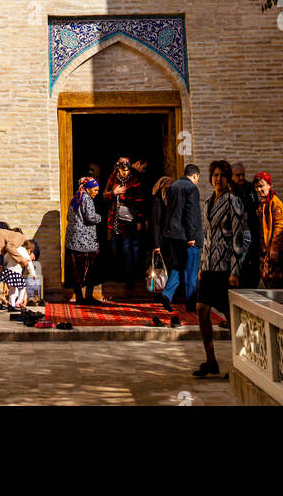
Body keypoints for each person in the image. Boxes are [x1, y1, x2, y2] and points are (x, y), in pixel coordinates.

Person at [194, 159, 244, 378]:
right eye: (215, 175)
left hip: (225, 267)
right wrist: (202, 264)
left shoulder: (234, 201)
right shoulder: (207, 202)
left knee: (230, 315)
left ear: (228, 178)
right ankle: (210, 360)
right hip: (209, 266)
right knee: (201, 310)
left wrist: (235, 270)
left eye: (222, 175)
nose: (218, 179)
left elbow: (239, 237)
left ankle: (240, 363)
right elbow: (206, 237)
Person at [157, 163, 202, 316]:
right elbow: (191, 213)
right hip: (187, 237)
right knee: (191, 271)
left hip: (173, 235)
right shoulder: (191, 188)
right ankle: (191, 304)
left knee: (177, 266)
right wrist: (191, 236)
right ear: (195, 175)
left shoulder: (173, 186)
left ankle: (167, 294)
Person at [104, 156, 147, 290]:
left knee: (128, 251)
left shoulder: (134, 181)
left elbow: (139, 202)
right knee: (115, 251)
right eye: (123, 171)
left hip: (128, 222)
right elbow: (104, 195)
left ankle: (130, 281)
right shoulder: (113, 179)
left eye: (127, 171)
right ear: (119, 170)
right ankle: (119, 276)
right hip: (114, 221)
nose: (126, 173)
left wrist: (139, 220)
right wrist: (114, 192)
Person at [65, 176, 102, 305]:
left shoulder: (75, 198)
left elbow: (68, 217)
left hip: (73, 241)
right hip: (85, 242)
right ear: (88, 189)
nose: (97, 193)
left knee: (75, 271)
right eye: (95, 190)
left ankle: (79, 298)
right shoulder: (87, 199)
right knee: (90, 269)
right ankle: (88, 297)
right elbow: (90, 218)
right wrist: (100, 217)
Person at [253, 171, 283, 288]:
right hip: (264, 248)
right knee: (266, 279)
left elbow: (279, 226)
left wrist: (274, 248)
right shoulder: (262, 202)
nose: (259, 189)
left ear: (269, 185)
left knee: (275, 281)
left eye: (261, 186)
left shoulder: (275, 202)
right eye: (257, 187)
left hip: (275, 249)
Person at [231, 162, 260, 288]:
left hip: (251, 231)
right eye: (238, 175)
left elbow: (254, 206)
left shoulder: (250, 187)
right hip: (235, 235)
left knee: (252, 267)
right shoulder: (229, 189)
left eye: (243, 175)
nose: (241, 178)